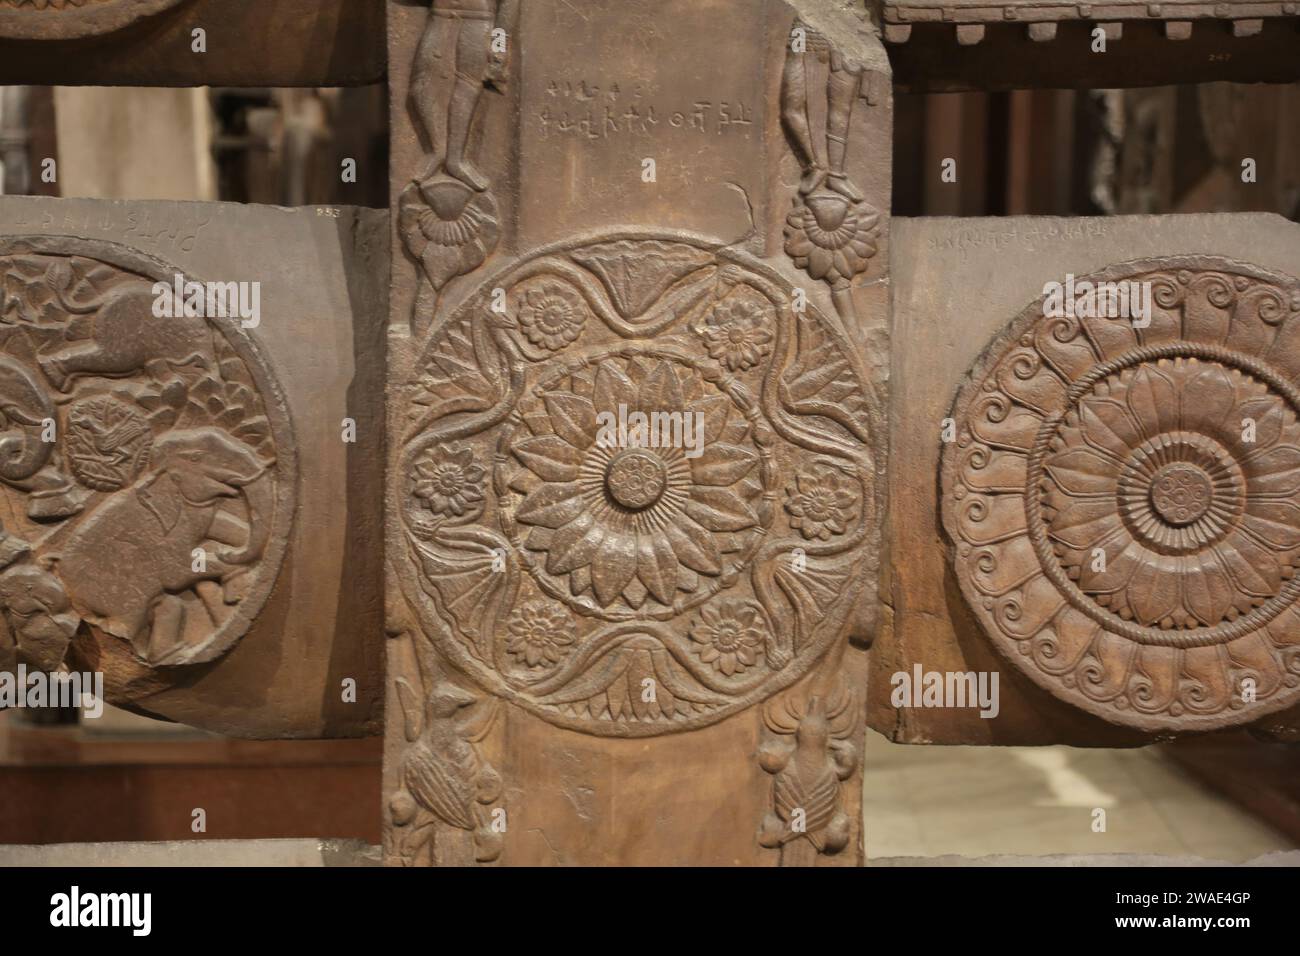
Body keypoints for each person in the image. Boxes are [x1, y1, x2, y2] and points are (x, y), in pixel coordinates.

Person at [410, 0, 517, 191]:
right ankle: (437, 150)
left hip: (478, 20)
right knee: (420, 85)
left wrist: (499, 48)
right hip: (440, 15)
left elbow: (509, 3)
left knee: (467, 85)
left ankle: (456, 159)